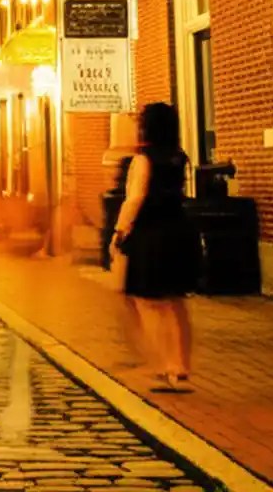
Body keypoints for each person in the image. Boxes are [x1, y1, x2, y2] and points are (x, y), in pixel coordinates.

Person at [111, 102, 199, 390]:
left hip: (151, 235)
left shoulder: (143, 160)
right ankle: (182, 364)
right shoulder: (178, 157)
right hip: (179, 230)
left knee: (148, 303)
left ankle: (164, 364)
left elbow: (135, 198)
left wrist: (120, 231)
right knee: (175, 302)